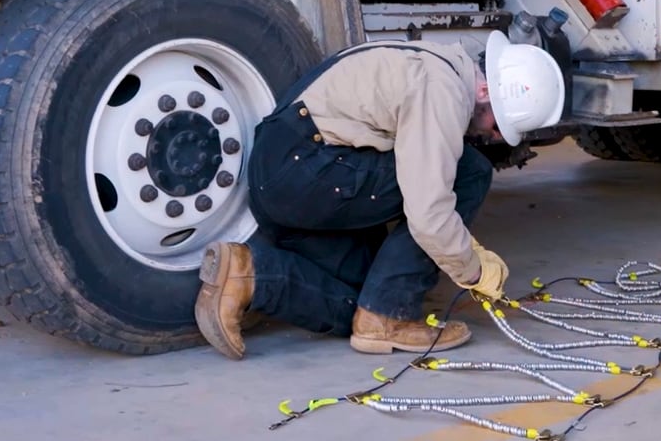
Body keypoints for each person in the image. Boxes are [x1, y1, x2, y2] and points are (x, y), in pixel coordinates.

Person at [194, 32, 566, 360]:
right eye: (499, 125)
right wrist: (473, 268)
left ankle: (251, 275)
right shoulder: (442, 90)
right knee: (470, 170)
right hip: (307, 171)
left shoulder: (432, 60)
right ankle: (390, 316)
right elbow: (429, 212)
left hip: (284, 178)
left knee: (362, 301)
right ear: (485, 92)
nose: (495, 137)